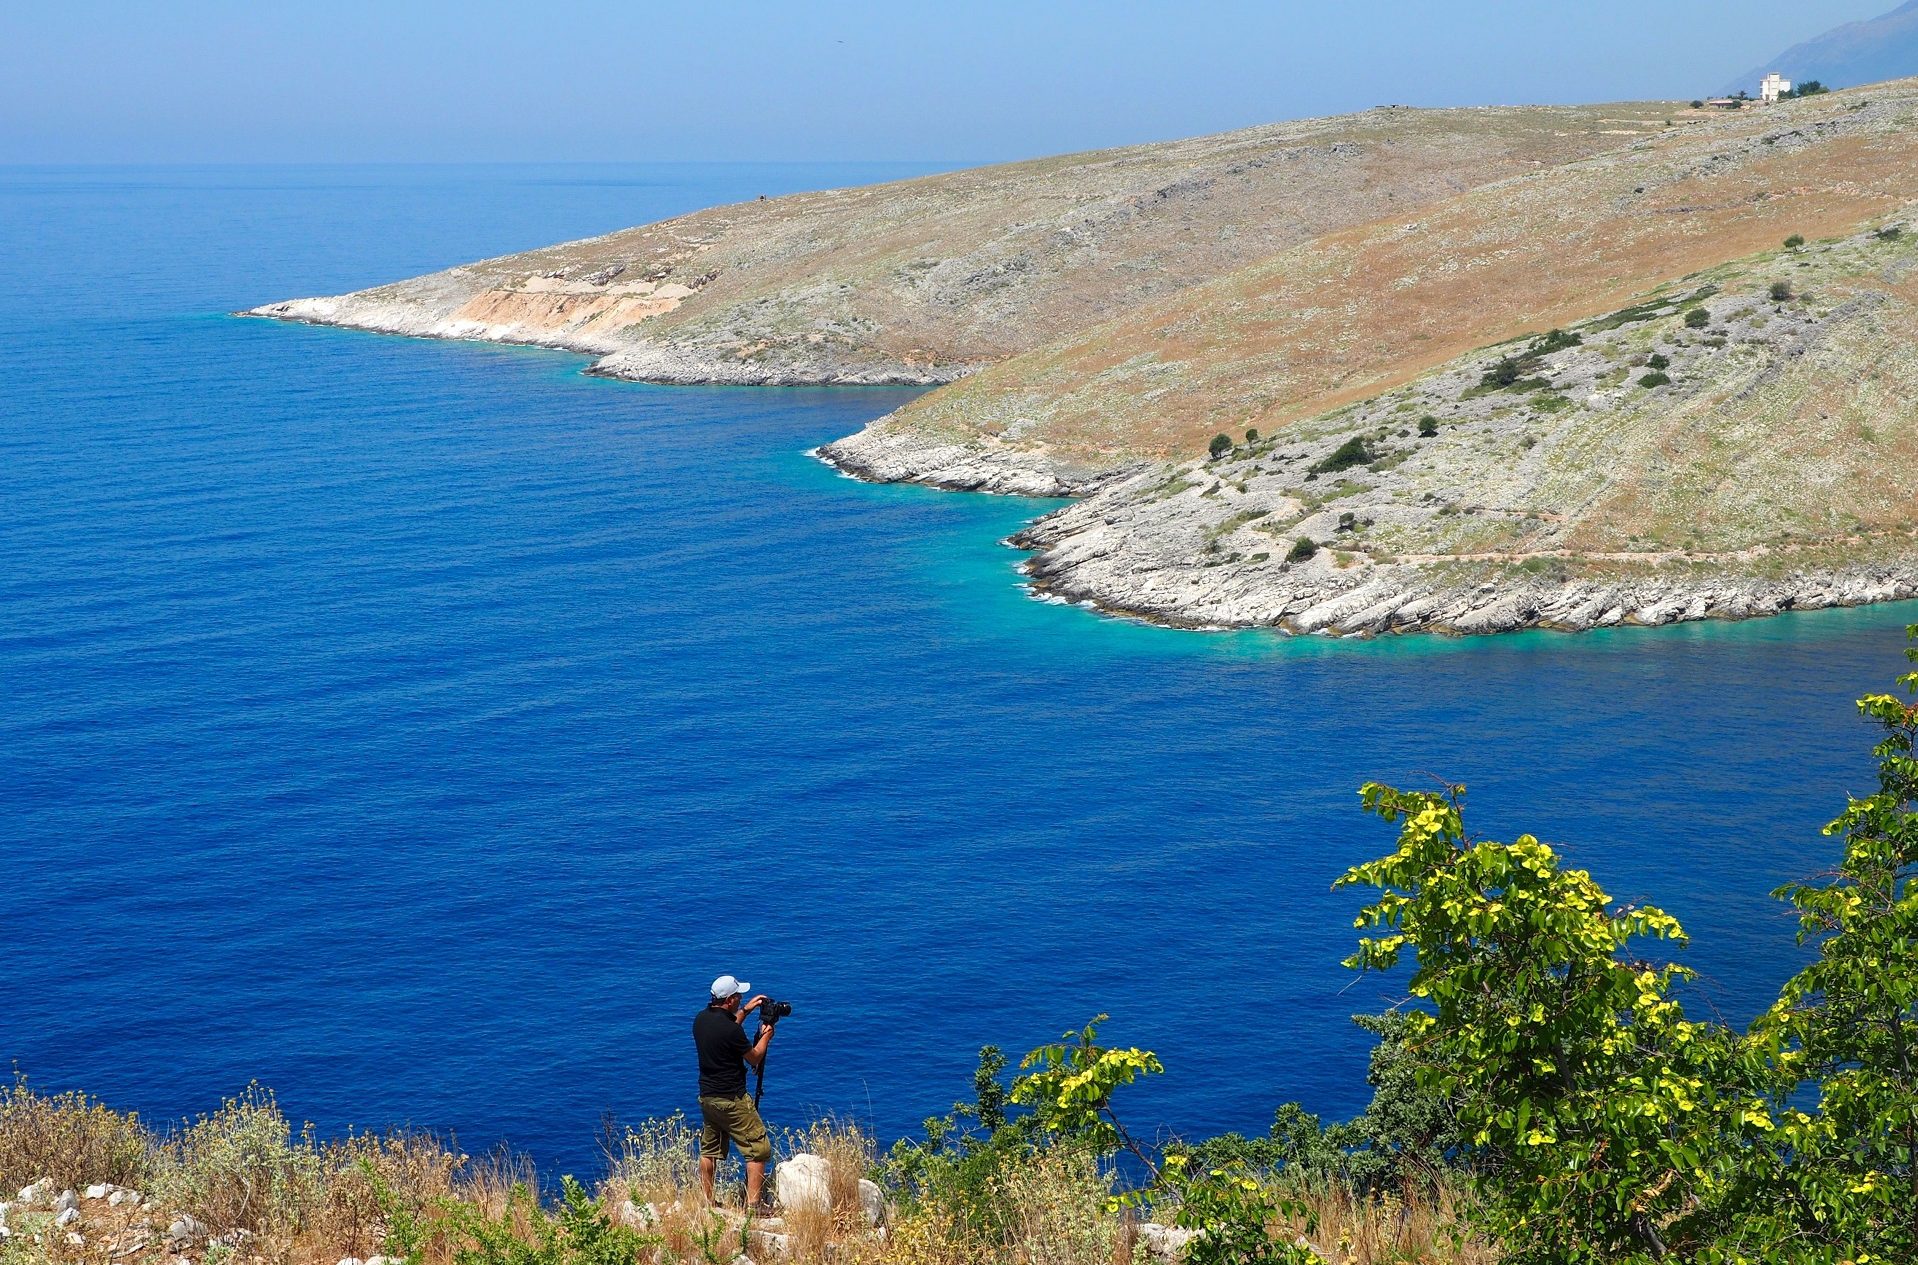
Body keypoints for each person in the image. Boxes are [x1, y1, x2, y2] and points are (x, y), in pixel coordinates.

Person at [693, 974, 776, 1210]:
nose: (741, 1000)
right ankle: (754, 1204)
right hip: (732, 1099)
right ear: (729, 1000)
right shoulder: (730, 1030)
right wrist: (766, 1037)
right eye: (738, 997)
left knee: (710, 1149)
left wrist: (746, 1011)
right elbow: (754, 1057)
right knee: (758, 1148)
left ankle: (708, 1202)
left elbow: (727, 1031)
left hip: (708, 1097)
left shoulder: (700, 1020)